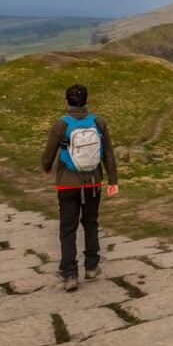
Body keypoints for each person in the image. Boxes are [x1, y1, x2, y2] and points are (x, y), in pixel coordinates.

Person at [41, 83, 119, 292]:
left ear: (66, 101)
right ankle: (91, 267)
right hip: (93, 182)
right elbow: (108, 154)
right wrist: (113, 181)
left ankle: (70, 273)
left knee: (68, 227)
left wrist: (46, 168)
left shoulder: (60, 125)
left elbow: (48, 154)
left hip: (67, 184)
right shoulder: (98, 123)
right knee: (91, 223)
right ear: (87, 100)